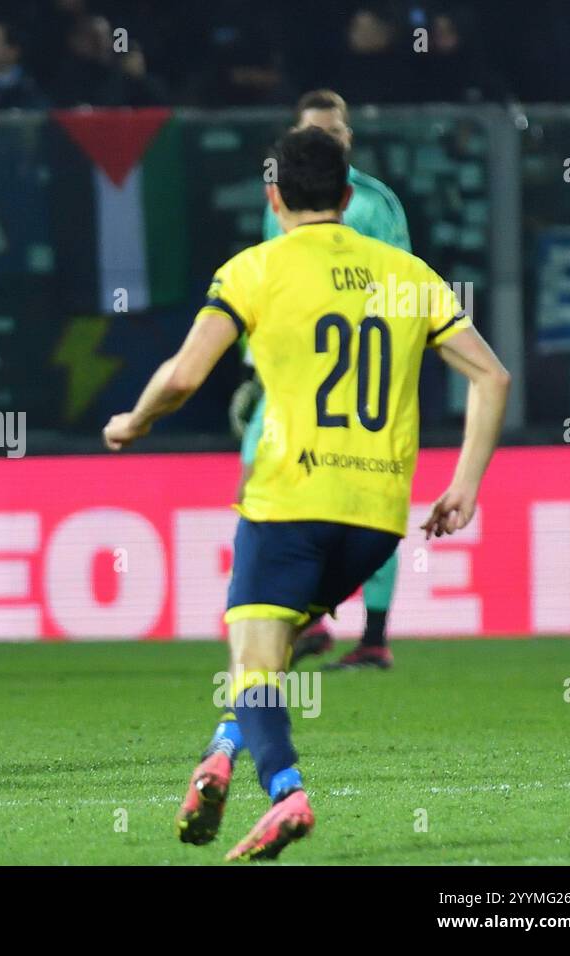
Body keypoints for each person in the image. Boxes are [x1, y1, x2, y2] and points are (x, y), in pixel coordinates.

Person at [102, 127, 509, 860]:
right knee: (277, 645)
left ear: (274, 195)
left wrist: (134, 419)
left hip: (289, 501)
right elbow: (492, 376)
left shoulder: (254, 269)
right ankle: (219, 756)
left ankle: (287, 793)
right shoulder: (409, 273)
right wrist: (465, 483)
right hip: (376, 516)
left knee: (253, 660)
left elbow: (187, 375)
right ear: (349, 197)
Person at [239, 89, 412, 670]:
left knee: (367, 491)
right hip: (294, 376)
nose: (326, 140)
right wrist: (255, 367)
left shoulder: (374, 203)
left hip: (357, 378)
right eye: (315, 131)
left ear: (349, 139)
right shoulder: (280, 201)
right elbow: (268, 287)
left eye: (335, 132)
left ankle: (374, 633)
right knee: (263, 467)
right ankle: (304, 616)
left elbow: (405, 289)